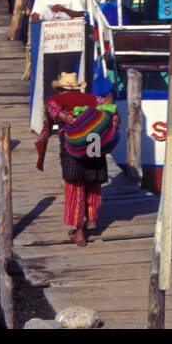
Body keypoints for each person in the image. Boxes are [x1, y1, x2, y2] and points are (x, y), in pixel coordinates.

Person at [45, 72, 119, 246]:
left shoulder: (54, 100)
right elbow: (111, 111)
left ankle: (79, 232)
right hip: (94, 145)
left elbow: (57, 114)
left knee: (75, 186)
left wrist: (68, 118)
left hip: (73, 146)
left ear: (61, 88)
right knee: (92, 182)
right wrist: (114, 119)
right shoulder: (93, 99)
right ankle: (91, 219)